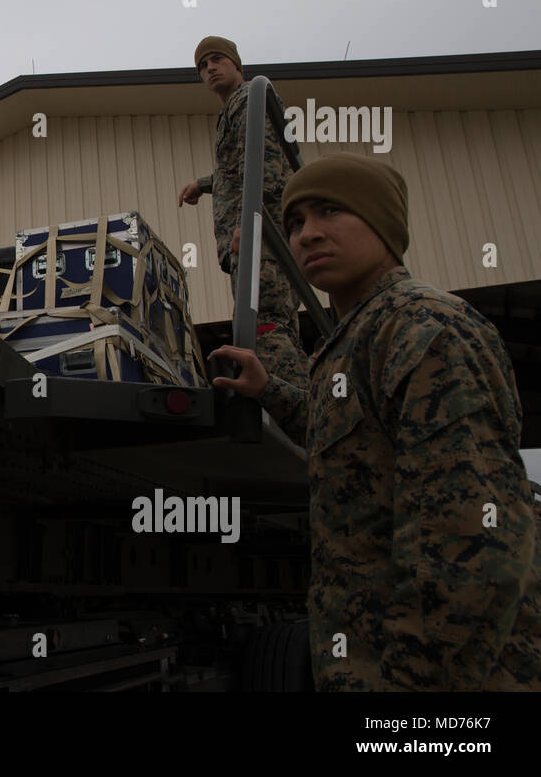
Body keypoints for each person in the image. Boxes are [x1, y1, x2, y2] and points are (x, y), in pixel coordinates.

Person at [211, 152, 540, 690]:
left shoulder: (425, 329)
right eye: (295, 223)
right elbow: (344, 440)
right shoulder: (352, 338)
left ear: (384, 224)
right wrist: (269, 390)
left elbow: (470, 546)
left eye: (331, 212)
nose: (307, 235)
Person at [179, 36, 308, 390]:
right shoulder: (235, 108)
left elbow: (266, 164)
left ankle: (292, 404)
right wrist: (202, 184)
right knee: (272, 322)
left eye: (217, 60)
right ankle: (294, 399)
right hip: (252, 233)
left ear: (236, 64)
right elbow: (237, 168)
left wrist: (253, 224)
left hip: (259, 233)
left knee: (265, 324)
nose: (210, 69)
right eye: (203, 66)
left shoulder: (250, 98)